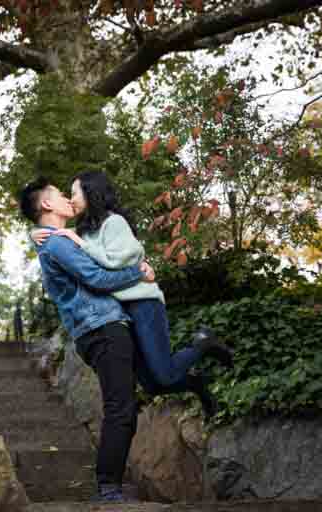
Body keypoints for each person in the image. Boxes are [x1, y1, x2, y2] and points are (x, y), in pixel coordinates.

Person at [30, 171, 233, 412]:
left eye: (74, 193)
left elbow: (116, 263)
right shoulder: (84, 230)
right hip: (119, 313)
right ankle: (197, 384)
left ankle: (203, 344)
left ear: (90, 192)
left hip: (143, 303)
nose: (71, 199)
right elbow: (57, 242)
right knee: (152, 385)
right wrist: (35, 234)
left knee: (164, 374)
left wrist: (79, 242)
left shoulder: (114, 222)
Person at [18, 177, 149, 503]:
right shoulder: (57, 244)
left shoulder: (55, 241)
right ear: (47, 204)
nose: (68, 198)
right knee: (121, 408)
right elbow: (96, 277)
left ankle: (109, 485)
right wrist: (139, 271)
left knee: (124, 405)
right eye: (61, 195)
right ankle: (109, 488)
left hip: (98, 328)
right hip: (102, 327)